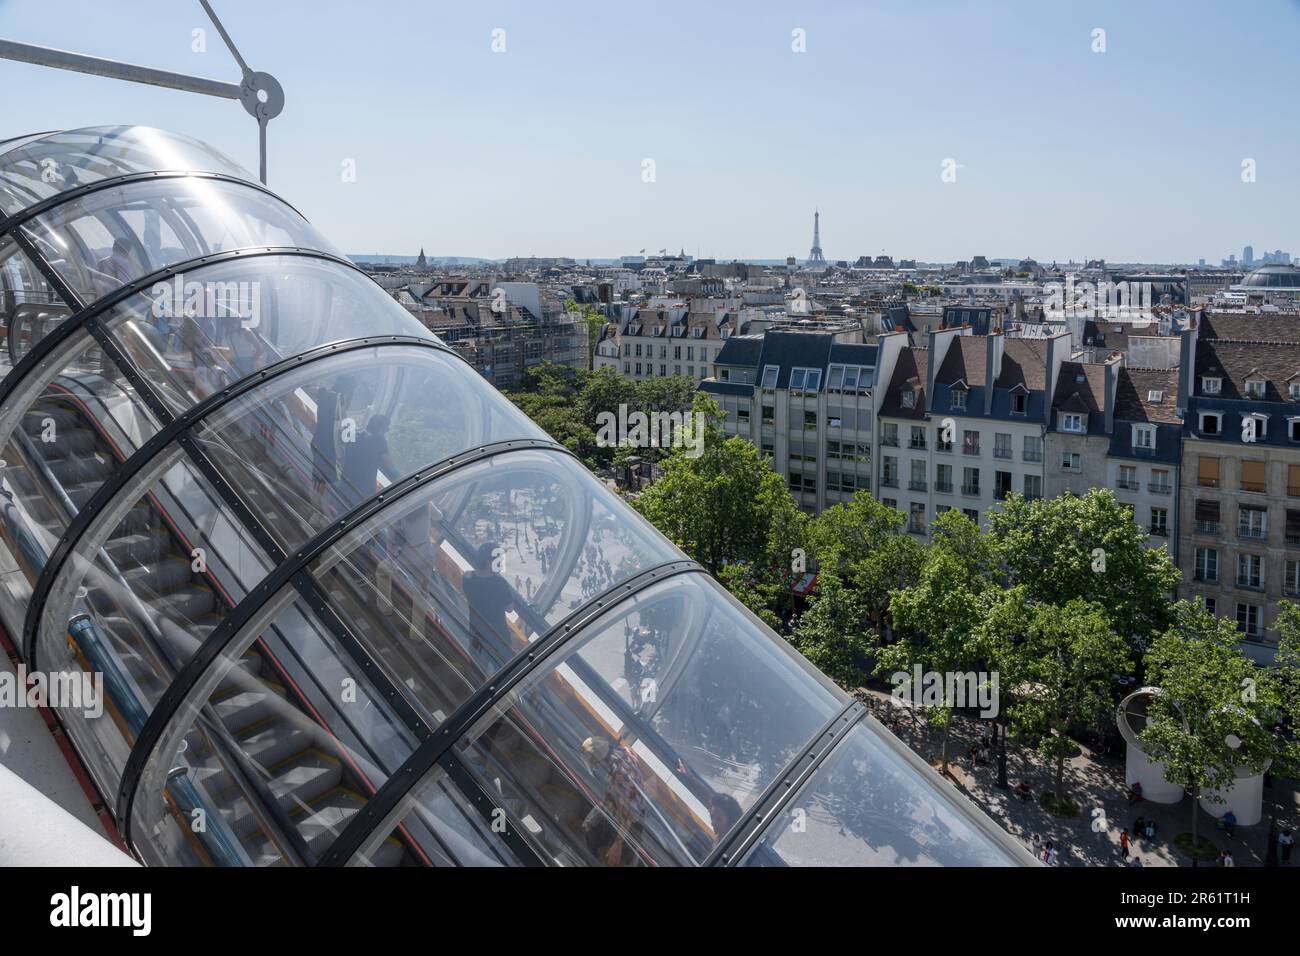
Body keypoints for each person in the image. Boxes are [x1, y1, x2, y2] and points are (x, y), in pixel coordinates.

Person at [462, 540, 519, 669]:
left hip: (477, 633)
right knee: (503, 671)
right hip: (498, 635)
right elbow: (509, 608)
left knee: (477, 670)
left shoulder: (467, 578)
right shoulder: (499, 583)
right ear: (489, 562)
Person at [340, 413, 394, 506]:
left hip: (345, 484)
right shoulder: (379, 441)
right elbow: (388, 463)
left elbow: (343, 458)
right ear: (381, 429)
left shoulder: (356, 434)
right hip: (363, 491)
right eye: (386, 430)